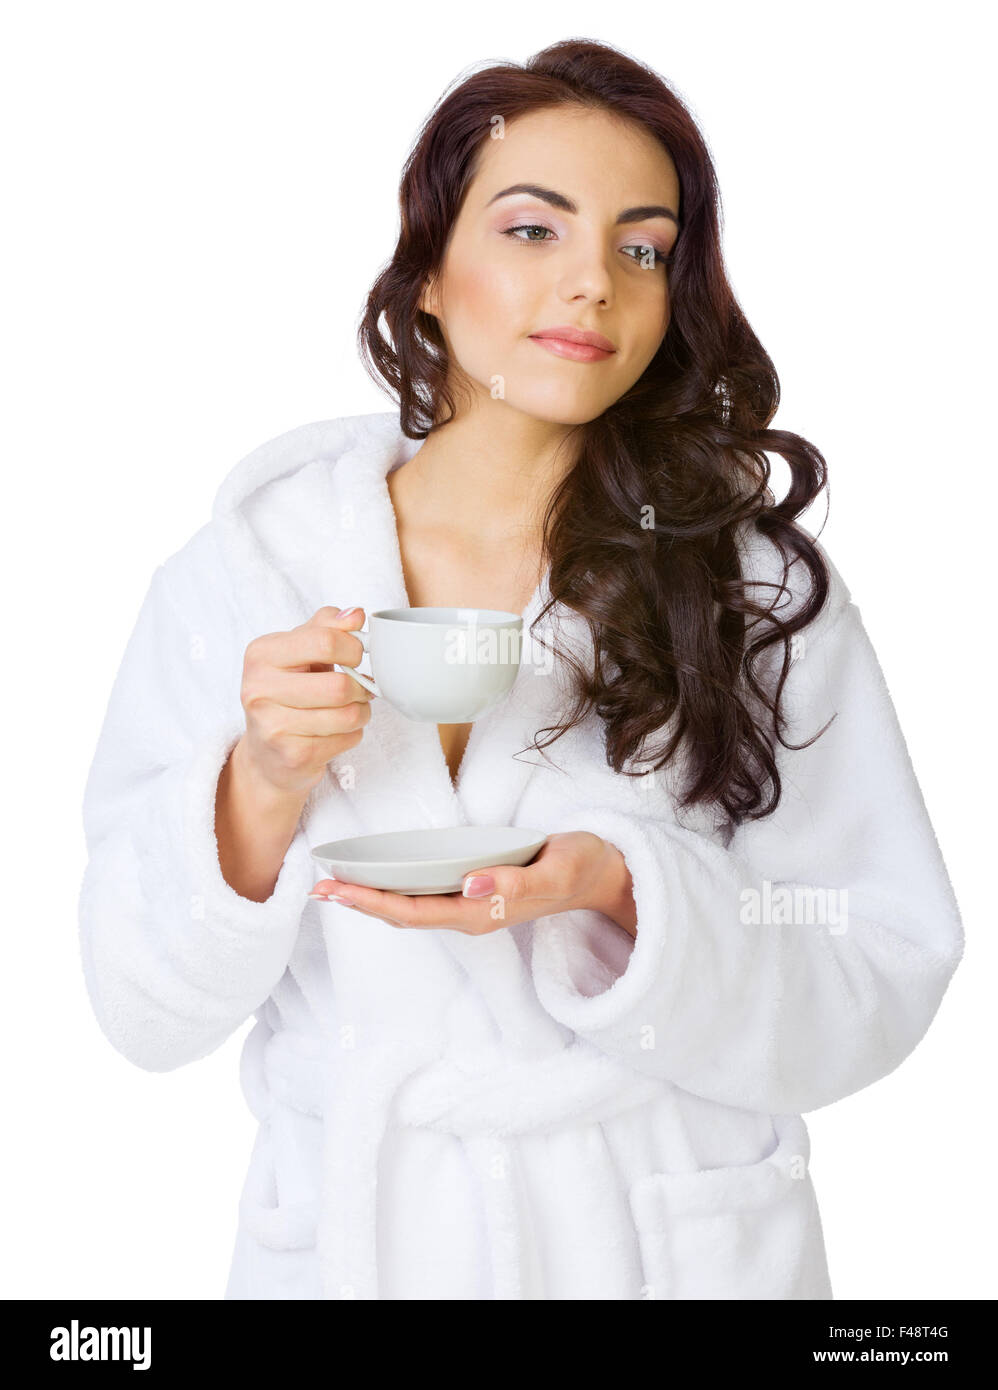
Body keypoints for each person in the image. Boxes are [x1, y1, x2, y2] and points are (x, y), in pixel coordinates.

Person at [78, 38, 964, 1300]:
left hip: (658, 1247)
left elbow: (879, 962)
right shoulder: (248, 576)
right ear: (427, 270)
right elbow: (135, 1008)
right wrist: (261, 785)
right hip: (351, 1244)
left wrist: (623, 896)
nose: (593, 284)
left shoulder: (744, 587)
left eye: (640, 246)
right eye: (532, 229)